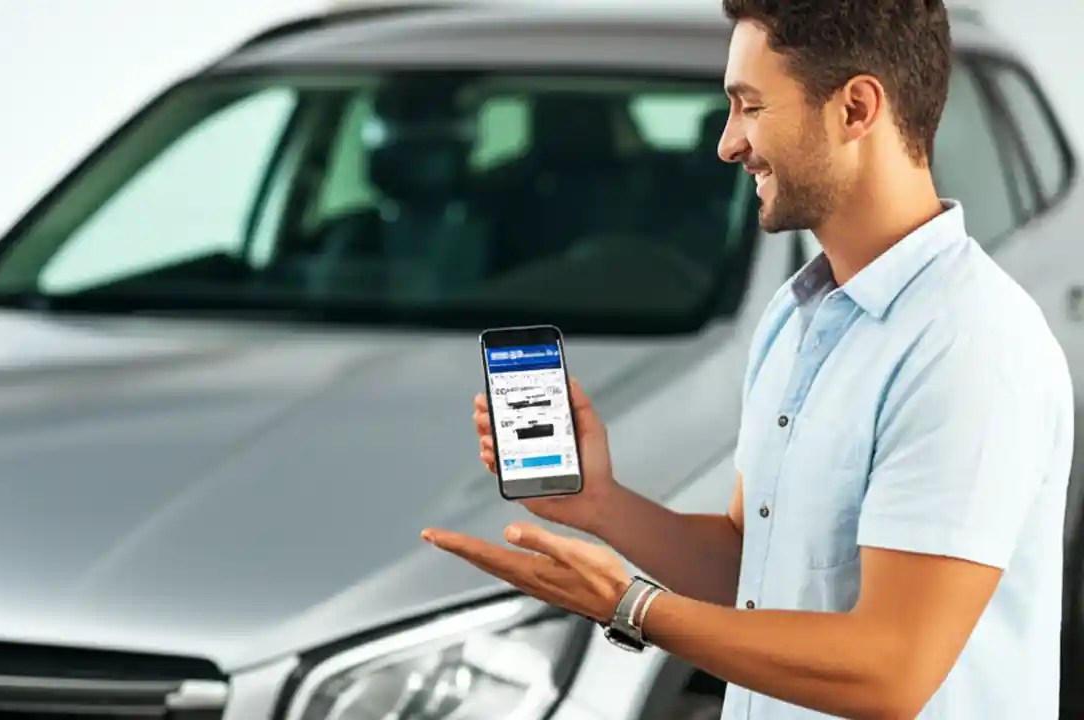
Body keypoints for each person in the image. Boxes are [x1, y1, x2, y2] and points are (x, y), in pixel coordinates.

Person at [420, 1, 1075, 718]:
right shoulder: (799, 318)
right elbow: (756, 566)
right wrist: (603, 506)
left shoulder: (971, 346)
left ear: (855, 108)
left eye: (750, 107)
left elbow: (891, 671)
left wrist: (627, 605)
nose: (728, 143)